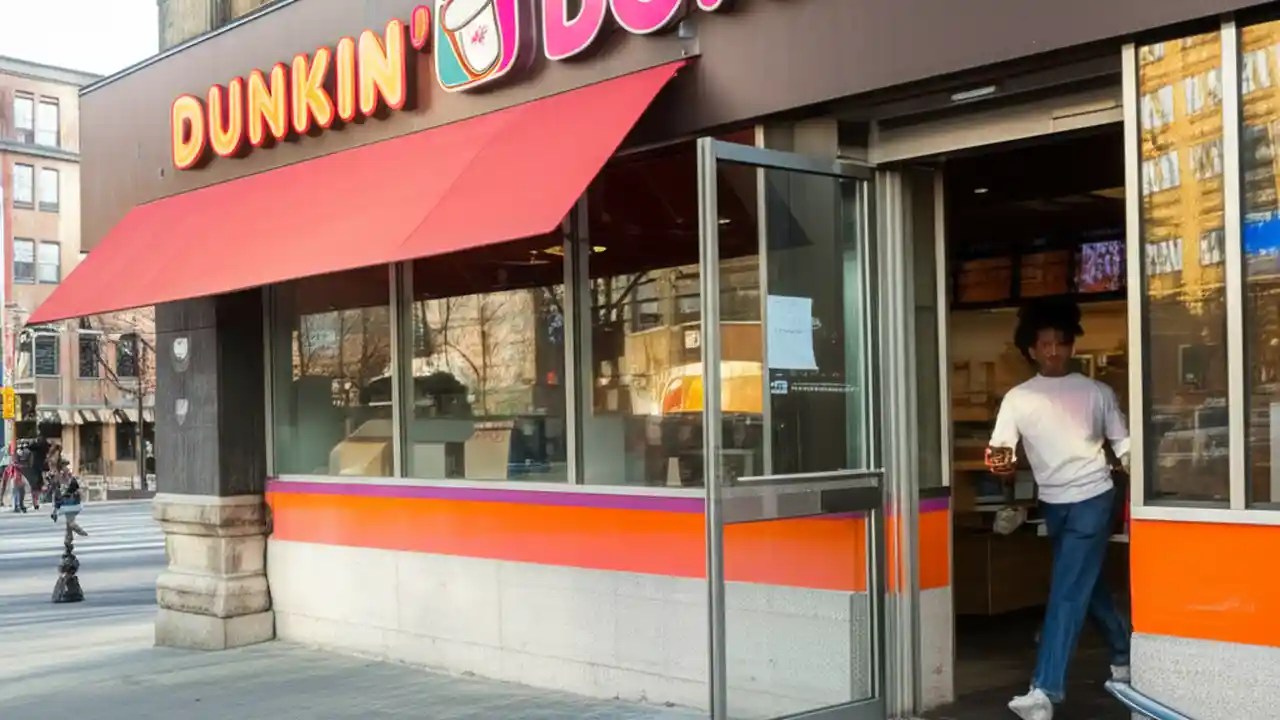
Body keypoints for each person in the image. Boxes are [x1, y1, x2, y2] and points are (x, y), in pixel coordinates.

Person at [985, 299, 1131, 720]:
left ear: (1071, 346)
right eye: (1044, 344)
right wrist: (1000, 462)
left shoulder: (1097, 393)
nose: (1053, 351)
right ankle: (1123, 653)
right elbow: (1001, 450)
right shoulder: (1017, 398)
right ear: (1031, 349)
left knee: (1067, 589)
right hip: (1053, 503)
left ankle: (1045, 690)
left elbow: (1122, 445)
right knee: (1086, 584)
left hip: (1094, 497)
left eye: (1060, 343)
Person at [26, 434, 50, 511]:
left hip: (35, 467)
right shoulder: (45, 446)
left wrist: (33, 441)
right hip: (42, 467)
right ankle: (37, 501)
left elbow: (30, 447)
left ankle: (36, 502)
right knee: (39, 485)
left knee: (35, 486)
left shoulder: (37, 446)